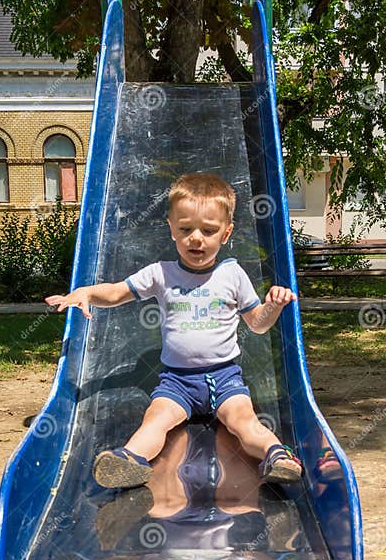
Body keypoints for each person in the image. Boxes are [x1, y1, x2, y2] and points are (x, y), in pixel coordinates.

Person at [45, 172, 303, 489]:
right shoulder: (161, 274)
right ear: (172, 229)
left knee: (244, 422)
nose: (196, 238)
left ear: (226, 233)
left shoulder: (232, 275)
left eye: (209, 230)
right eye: (186, 229)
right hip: (177, 382)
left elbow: (258, 325)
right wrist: (86, 292)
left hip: (225, 378)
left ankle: (277, 456)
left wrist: (272, 306)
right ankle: (129, 461)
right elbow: (116, 292)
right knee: (156, 419)